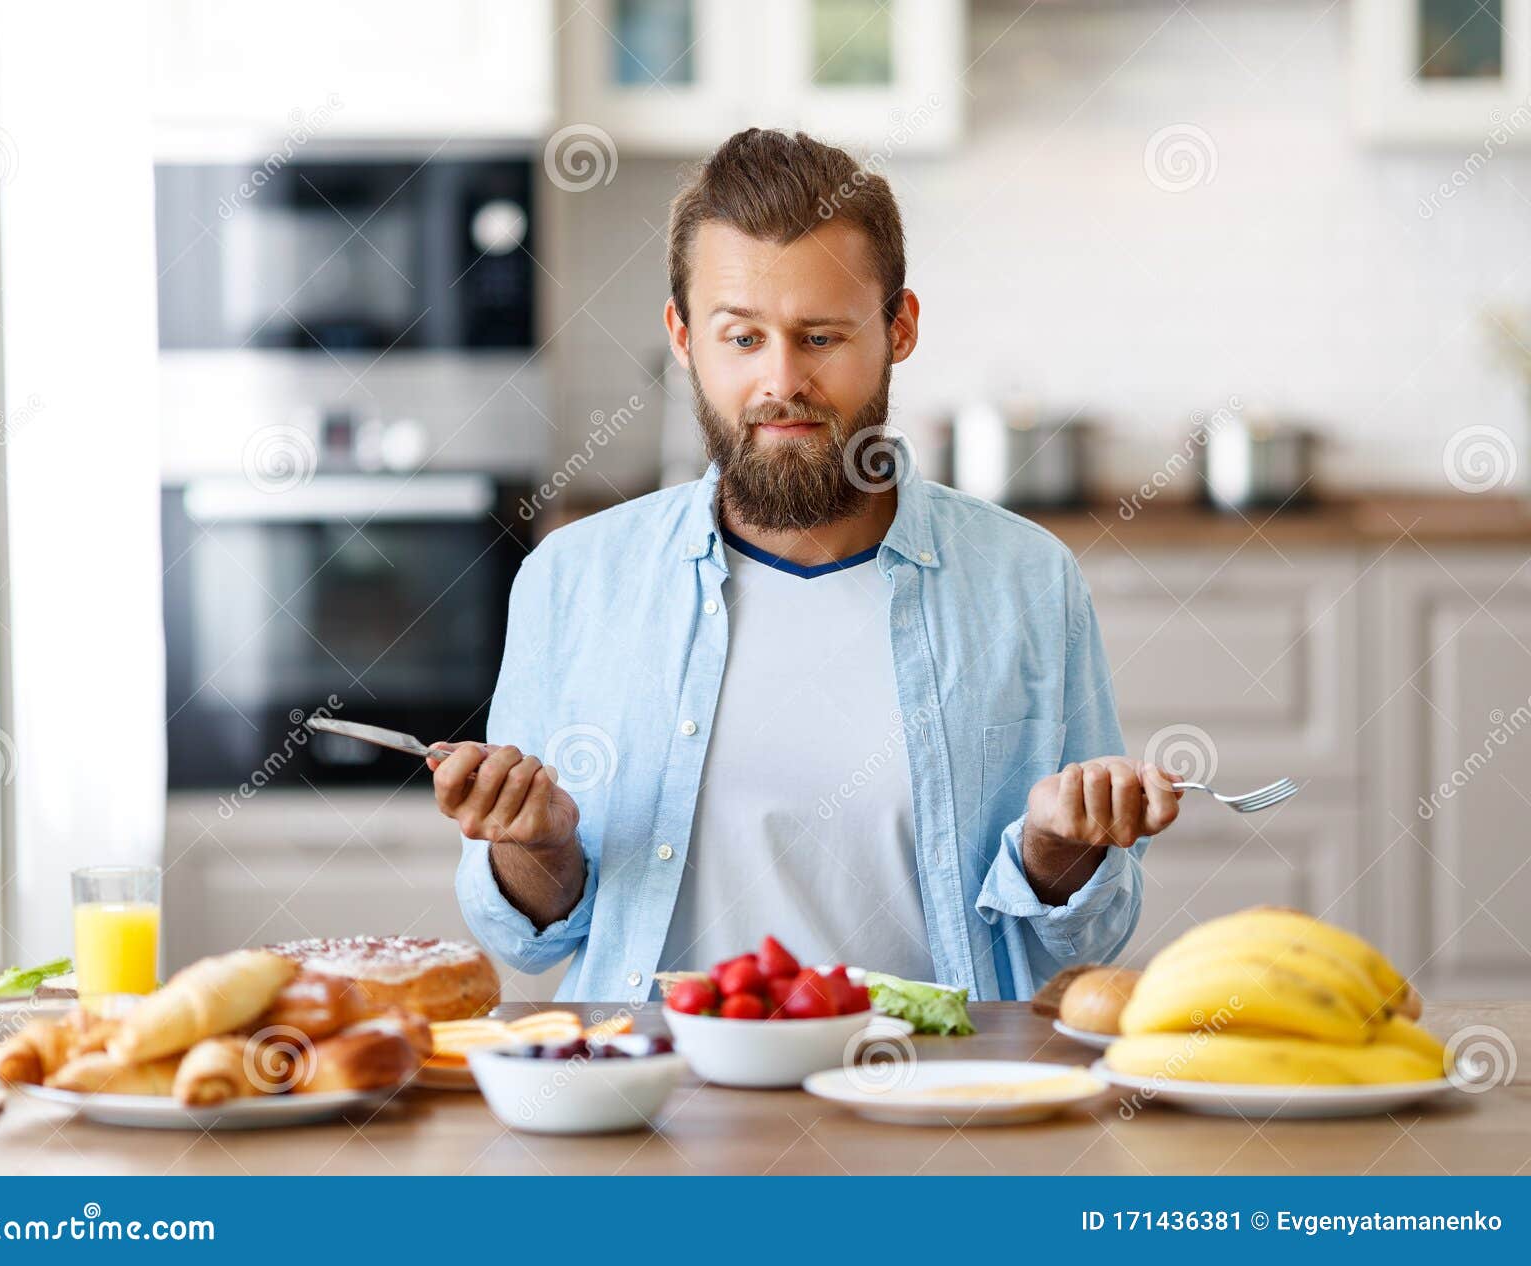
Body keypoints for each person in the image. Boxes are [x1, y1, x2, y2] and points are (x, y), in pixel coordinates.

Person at [432, 128, 1181, 1002]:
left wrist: (1060, 850)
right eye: (742, 339)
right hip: (656, 1100)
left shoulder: (1027, 580)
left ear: (899, 328)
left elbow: (1090, 931)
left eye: (820, 336)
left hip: (931, 1106)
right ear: (683, 338)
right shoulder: (573, 580)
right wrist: (536, 842)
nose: (782, 381)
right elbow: (521, 939)